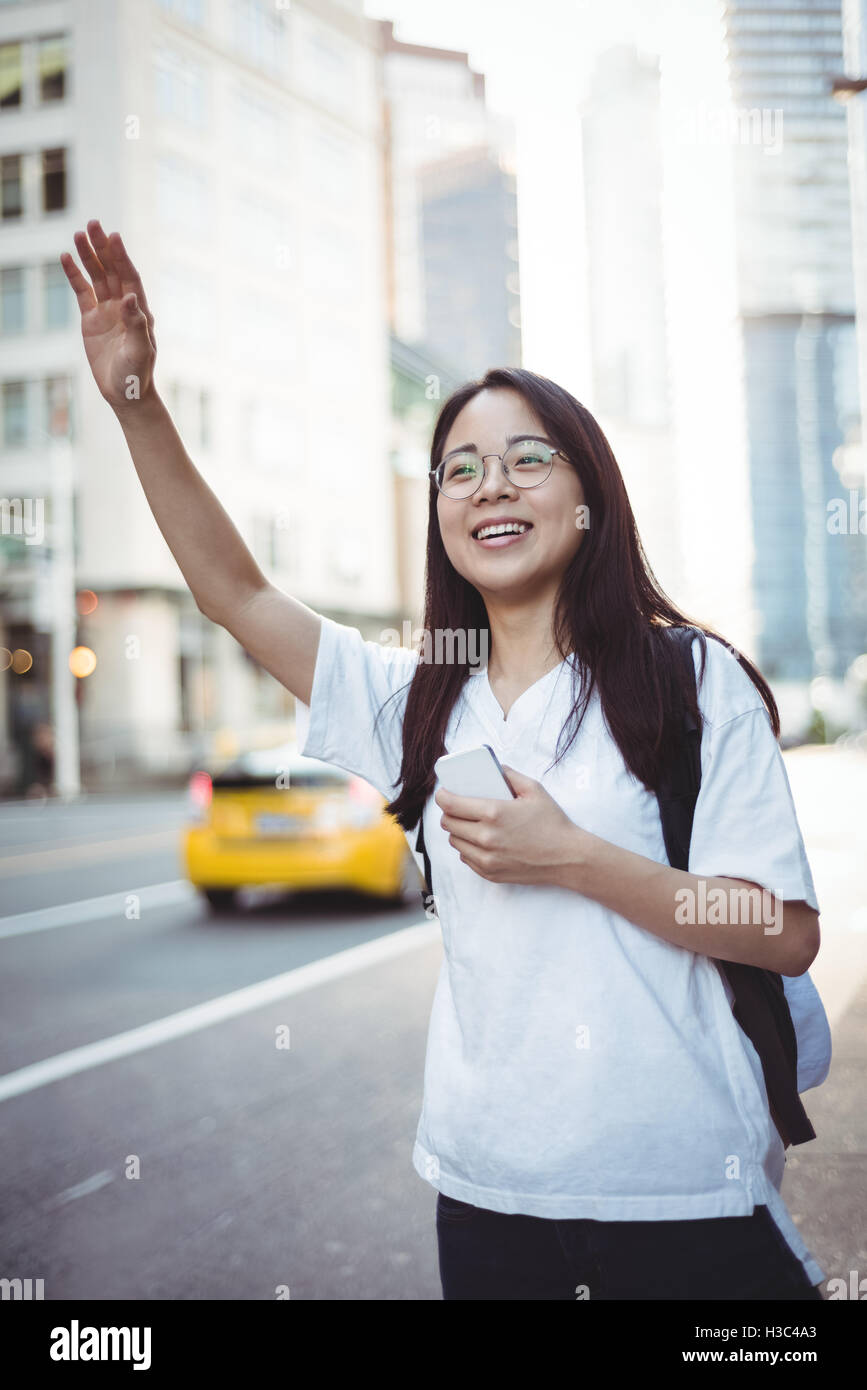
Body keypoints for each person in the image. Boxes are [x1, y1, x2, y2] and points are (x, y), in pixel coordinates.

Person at [61, 221, 825, 1302]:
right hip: (488, 1200)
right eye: (459, 470)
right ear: (439, 515)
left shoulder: (691, 681)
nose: (488, 486)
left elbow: (784, 932)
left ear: (589, 498)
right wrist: (134, 397)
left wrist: (571, 857)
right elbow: (233, 593)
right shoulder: (414, 695)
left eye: (526, 461)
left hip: (685, 1195)